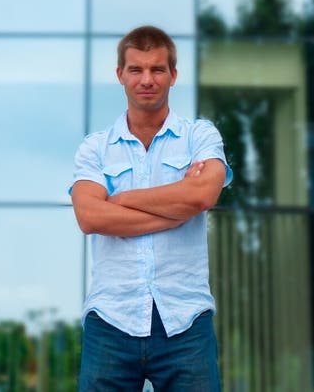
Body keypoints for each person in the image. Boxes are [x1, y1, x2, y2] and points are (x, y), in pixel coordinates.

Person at [70, 25, 232, 391]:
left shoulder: (200, 137)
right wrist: (176, 205)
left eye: (158, 69)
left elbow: (203, 196)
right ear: (120, 75)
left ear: (173, 75)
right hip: (111, 320)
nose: (147, 79)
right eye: (136, 70)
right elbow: (90, 216)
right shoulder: (95, 148)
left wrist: (121, 199)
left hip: (186, 322)